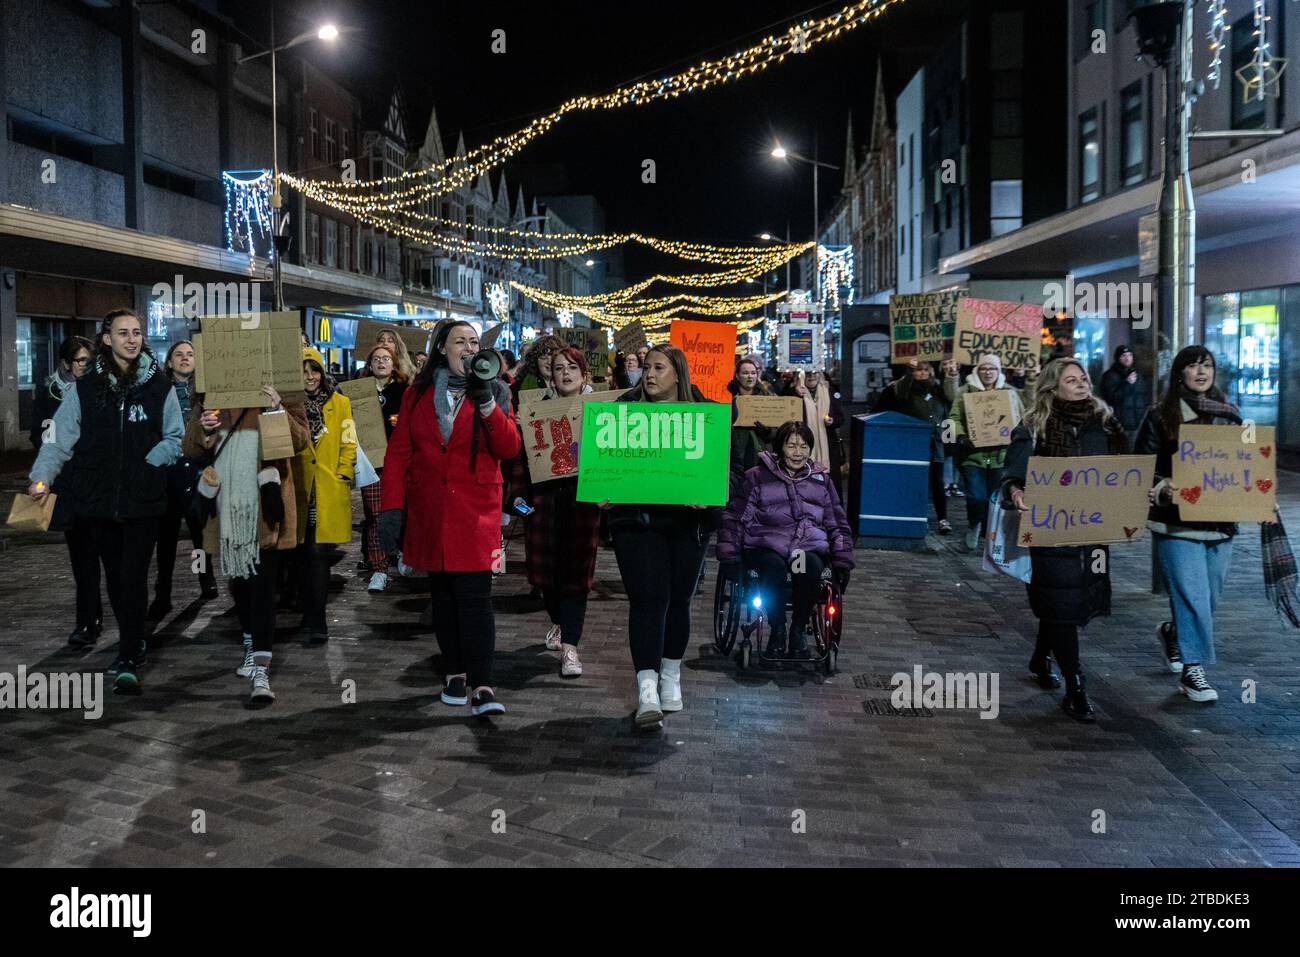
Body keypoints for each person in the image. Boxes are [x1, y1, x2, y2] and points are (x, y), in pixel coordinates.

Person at [28, 309, 183, 694]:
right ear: (107, 339)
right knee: (115, 579)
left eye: (137, 332)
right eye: (123, 332)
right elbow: (59, 439)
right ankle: (134, 637)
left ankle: (130, 655)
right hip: (97, 502)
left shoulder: (158, 385)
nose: (132, 338)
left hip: (143, 501)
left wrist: (151, 463)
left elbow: (175, 437)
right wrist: (41, 478)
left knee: (132, 577)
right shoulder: (85, 387)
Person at [379, 321, 520, 716]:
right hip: (431, 510)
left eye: (475, 342)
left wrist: (489, 404)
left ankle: (483, 684)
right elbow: (400, 454)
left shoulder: (497, 391)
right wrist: (391, 508)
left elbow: (508, 448)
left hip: (475, 512)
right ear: (442, 348)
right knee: (442, 597)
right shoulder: (416, 395)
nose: (470, 347)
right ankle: (454, 673)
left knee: (475, 598)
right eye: (461, 341)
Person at [1001, 358, 1129, 722]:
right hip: (1049, 529)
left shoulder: (1106, 423)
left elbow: (1125, 467)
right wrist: (1016, 491)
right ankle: (1076, 686)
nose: (1080, 384)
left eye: (1083, 378)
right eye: (1071, 380)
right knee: (1061, 605)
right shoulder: (1034, 426)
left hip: (1091, 530)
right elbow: (1012, 473)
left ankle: (1042, 656)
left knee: (1066, 605)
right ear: (1052, 388)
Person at [601, 345, 716, 728]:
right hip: (638, 522)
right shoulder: (622, 412)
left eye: (658, 367)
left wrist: (711, 496)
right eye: (646, 367)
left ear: (678, 373)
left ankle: (671, 677)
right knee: (648, 600)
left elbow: (728, 470)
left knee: (679, 600)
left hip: (687, 524)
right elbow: (601, 460)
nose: (649, 374)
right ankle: (646, 688)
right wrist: (601, 488)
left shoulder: (706, 416)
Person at [186, 385, 309, 702]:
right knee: (240, 583)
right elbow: (191, 449)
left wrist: (276, 410)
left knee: (264, 587)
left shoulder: (283, 385)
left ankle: (261, 669)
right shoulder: (213, 387)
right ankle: (250, 644)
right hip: (227, 505)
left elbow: (298, 442)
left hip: (264, 504)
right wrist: (204, 429)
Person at [1135, 346, 1240, 704]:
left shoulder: (1229, 414)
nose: (1200, 372)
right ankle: (1194, 671)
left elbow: (1244, 464)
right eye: (1193, 366)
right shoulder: (1160, 416)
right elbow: (1142, 465)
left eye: (1206, 365)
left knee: (1208, 598)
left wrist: (1259, 489)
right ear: (1179, 373)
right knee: (1192, 596)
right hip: (1176, 524)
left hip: (1220, 523)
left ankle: (1174, 633)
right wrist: (1163, 485)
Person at [717, 421, 854, 662]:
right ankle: (778, 629)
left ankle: (798, 630)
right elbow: (736, 517)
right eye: (791, 446)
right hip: (767, 542)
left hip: (806, 546)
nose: (798, 452)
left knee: (810, 567)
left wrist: (842, 560)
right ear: (780, 447)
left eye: (803, 446)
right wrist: (729, 555)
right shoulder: (757, 477)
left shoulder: (821, 480)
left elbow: (837, 523)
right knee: (774, 568)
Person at [520, 348, 602, 677]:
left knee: (576, 580)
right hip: (544, 501)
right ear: (549, 376)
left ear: (584, 374)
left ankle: (570, 648)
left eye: (572, 367)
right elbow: (523, 457)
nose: (565, 373)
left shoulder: (601, 409)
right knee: (547, 580)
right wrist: (519, 500)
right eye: (558, 368)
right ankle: (558, 621)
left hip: (583, 504)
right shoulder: (536, 408)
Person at [29, 335, 102, 648]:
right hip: (70, 486)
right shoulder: (50, 393)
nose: (86, 366)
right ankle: (88, 621)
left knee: (112, 560)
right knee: (83, 559)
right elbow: (41, 436)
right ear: (66, 362)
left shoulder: (98, 391)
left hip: (99, 483)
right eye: (81, 360)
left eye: (89, 360)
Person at [291, 348, 356, 644]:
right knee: (299, 554)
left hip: (327, 488)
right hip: (298, 488)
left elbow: (349, 441)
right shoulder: (288, 404)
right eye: (304, 371)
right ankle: (305, 612)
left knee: (318, 554)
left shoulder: (340, 402)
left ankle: (317, 619)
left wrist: (344, 472)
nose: (310, 377)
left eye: (314, 370)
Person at [148, 340, 216, 619]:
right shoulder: (159, 390)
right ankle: (162, 592)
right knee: (166, 538)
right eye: (179, 354)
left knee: (200, 533)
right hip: (167, 471)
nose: (185, 359)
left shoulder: (205, 392)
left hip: (196, 469)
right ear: (170, 361)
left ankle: (205, 579)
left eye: (190, 354)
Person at [947, 353, 1025, 550]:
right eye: (984, 368)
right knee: (976, 496)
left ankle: (989, 531)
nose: (988, 372)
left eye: (992, 368)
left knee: (995, 497)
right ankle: (974, 525)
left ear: (999, 371)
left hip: (1001, 456)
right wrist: (962, 436)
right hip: (974, 456)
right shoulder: (965, 392)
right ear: (977, 370)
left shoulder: (1010, 392)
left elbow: (1024, 415)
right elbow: (954, 418)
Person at [876, 359, 952, 534]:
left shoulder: (938, 391)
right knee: (916, 481)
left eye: (926, 370)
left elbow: (947, 415)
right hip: (914, 444)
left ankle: (943, 518)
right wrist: (909, 372)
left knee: (937, 483)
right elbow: (901, 392)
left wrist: (949, 441)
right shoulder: (906, 390)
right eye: (918, 370)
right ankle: (916, 516)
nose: (922, 373)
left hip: (936, 444)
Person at [357, 343, 409, 592]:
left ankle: (402, 551)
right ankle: (379, 569)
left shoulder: (404, 391)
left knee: (400, 511)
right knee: (375, 516)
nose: (380, 362)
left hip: (398, 462)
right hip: (370, 462)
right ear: (369, 364)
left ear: (393, 364)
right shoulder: (357, 392)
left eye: (386, 358)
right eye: (376, 358)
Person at [786, 370, 846, 499]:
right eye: (807, 373)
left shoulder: (829, 391)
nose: (811, 376)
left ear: (820, 375)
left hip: (828, 448)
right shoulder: (795, 393)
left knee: (830, 485)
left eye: (815, 373)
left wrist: (832, 421)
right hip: (802, 445)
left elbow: (841, 418)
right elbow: (784, 411)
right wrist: (794, 392)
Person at [727, 357, 775, 498]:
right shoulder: (728, 396)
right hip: (736, 453)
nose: (750, 376)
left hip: (758, 453)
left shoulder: (766, 397)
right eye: (745, 373)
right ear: (737, 375)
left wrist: (767, 431)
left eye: (753, 373)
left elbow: (777, 429)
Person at [1099, 345, 1147, 436]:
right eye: (1124, 355)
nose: (1127, 358)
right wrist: (1127, 384)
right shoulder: (1110, 376)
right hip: (1120, 426)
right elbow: (1111, 398)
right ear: (1118, 358)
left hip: (1138, 425)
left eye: (1130, 355)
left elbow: (1144, 397)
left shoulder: (1138, 375)